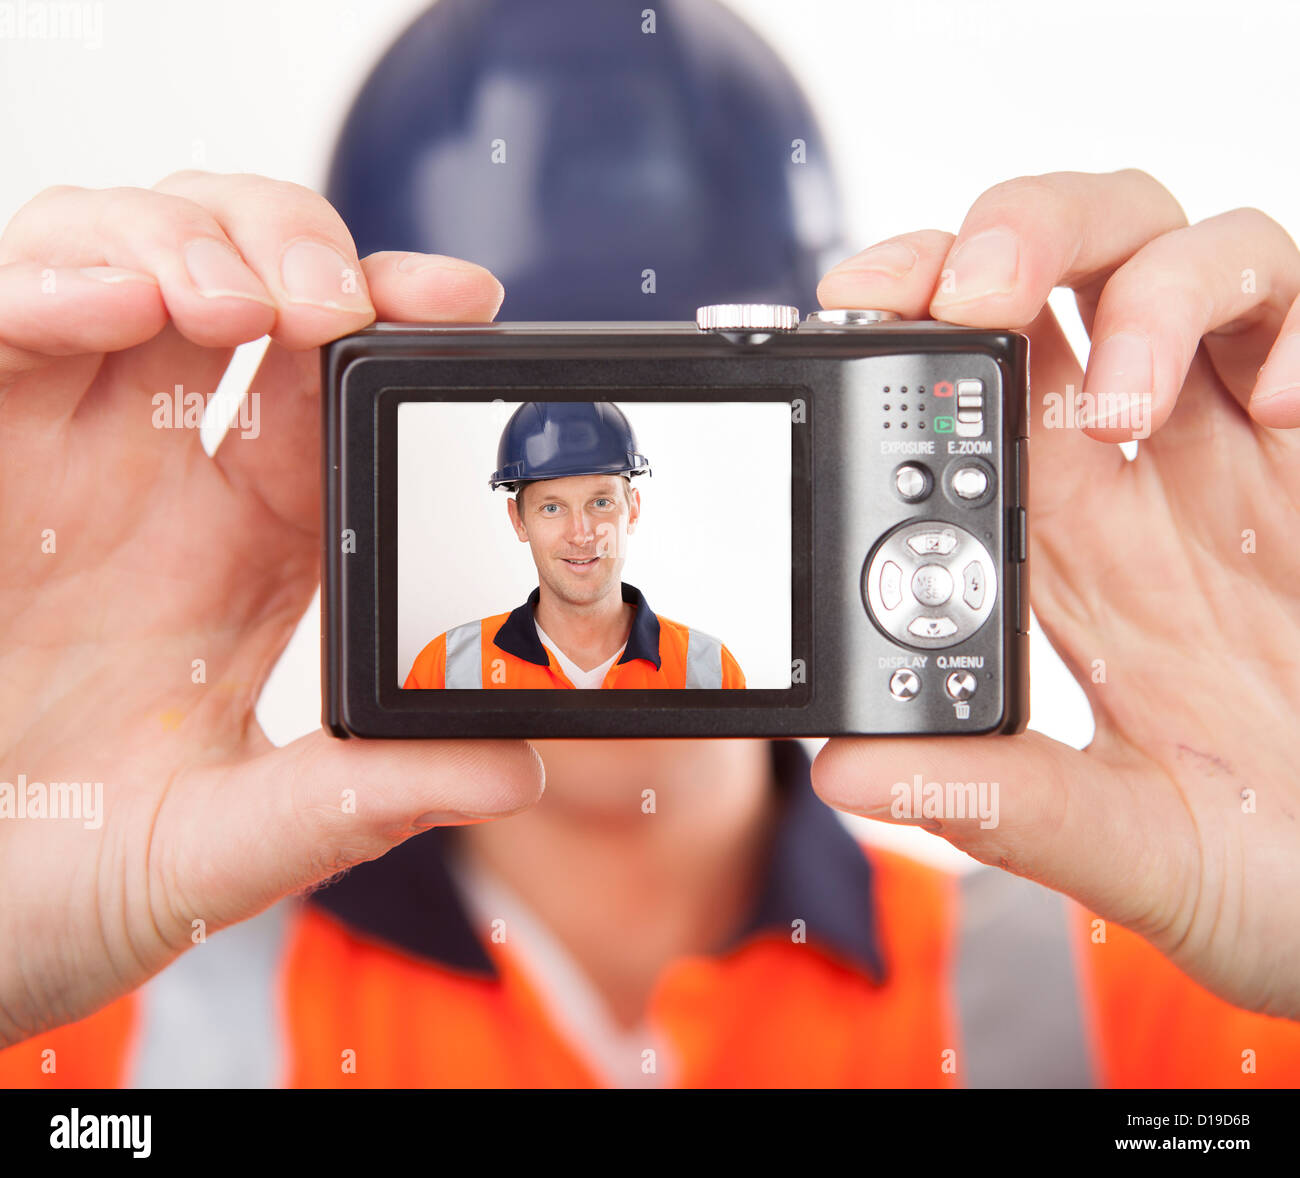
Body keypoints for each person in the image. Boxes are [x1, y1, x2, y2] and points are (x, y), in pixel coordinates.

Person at [0, 168, 1298, 1089]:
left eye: (602, 499)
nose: (579, 533)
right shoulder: (116, 1016)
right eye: (549, 500)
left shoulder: (1120, 993)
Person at [403, 400, 747, 691]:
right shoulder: (446, 669)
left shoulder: (710, 671)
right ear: (518, 521)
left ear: (633, 510)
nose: (581, 535)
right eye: (552, 508)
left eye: (601, 503)